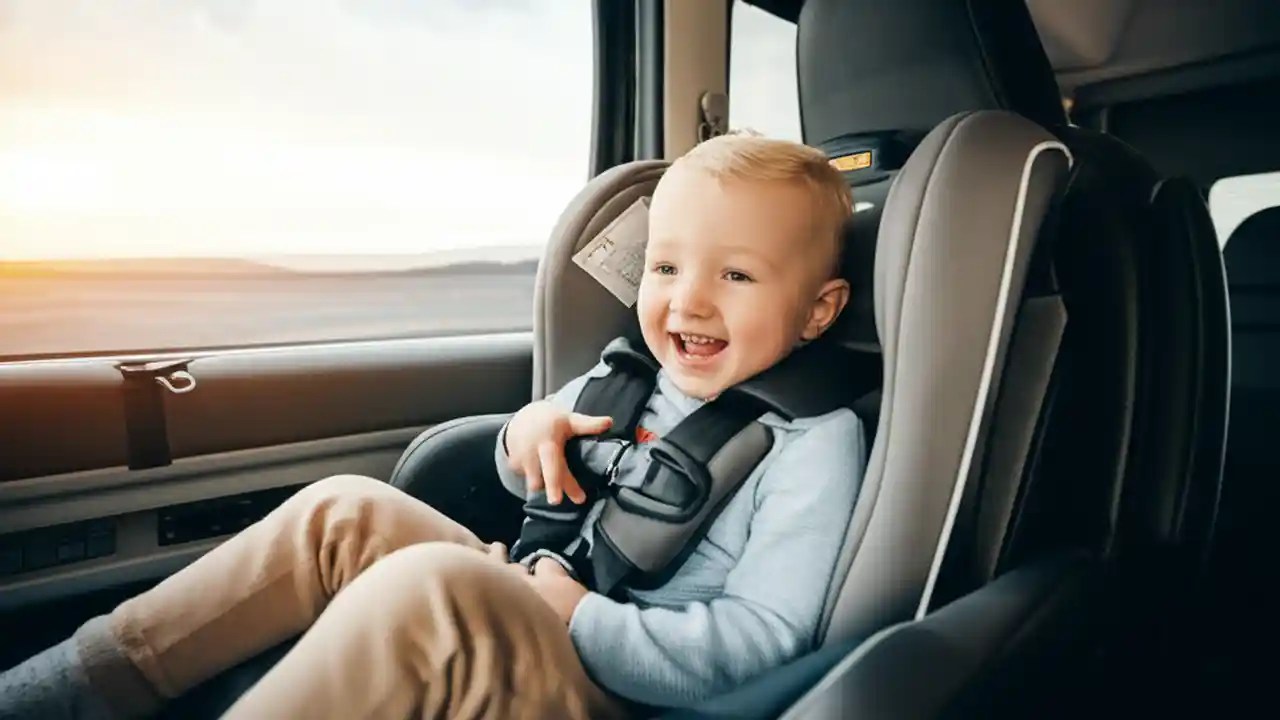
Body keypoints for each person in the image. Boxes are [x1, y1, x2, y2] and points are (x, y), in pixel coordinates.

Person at [0, 133, 867, 720]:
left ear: (819, 311)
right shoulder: (639, 378)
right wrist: (527, 433)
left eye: (738, 277)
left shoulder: (811, 446)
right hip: (546, 596)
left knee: (435, 595)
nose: (688, 299)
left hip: (625, 689)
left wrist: (578, 620)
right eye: (668, 266)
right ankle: (68, 692)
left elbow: (766, 645)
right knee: (344, 510)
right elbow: (522, 479)